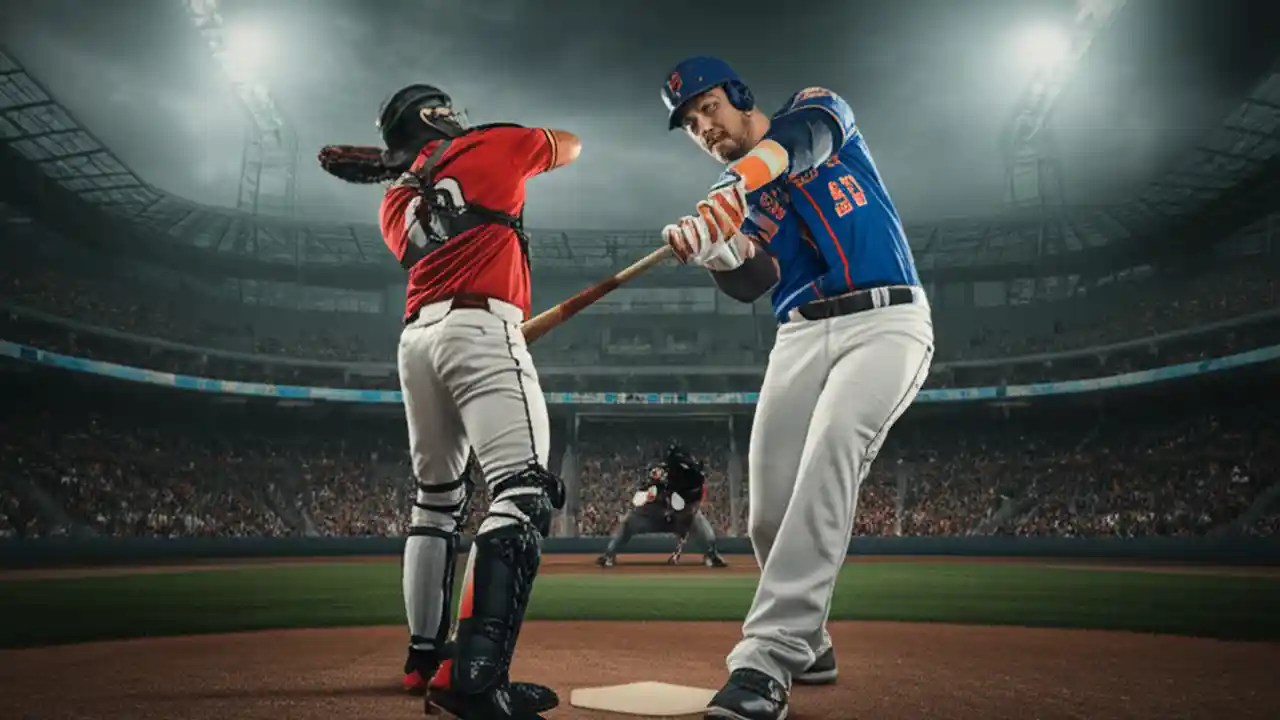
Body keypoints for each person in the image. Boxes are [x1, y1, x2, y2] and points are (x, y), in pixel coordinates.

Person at [658, 57, 934, 720]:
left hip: (886, 321)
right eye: (690, 123)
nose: (703, 127)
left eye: (709, 107)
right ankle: (814, 644)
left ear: (740, 93)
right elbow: (754, 280)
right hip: (801, 334)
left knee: (834, 446)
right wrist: (716, 249)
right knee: (768, 514)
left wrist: (732, 189)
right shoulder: (737, 196)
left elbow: (800, 142)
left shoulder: (814, 108)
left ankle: (767, 660)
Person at [318, 83, 581, 719]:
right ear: (438, 116)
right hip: (481, 327)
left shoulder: (394, 198)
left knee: (436, 502)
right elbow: (571, 146)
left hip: (418, 341)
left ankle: (424, 660)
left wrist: (406, 165)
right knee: (523, 492)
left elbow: (435, 220)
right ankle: (477, 681)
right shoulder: (492, 142)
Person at [595, 443, 728, 568]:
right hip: (652, 516)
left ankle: (712, 555)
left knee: (701, 526)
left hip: (679, 518)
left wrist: (687, 516)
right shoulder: (658, 476)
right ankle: (609, 554)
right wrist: (652, 492)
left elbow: (694, 505)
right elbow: (640, 497)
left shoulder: (694, 480)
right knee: (628, 523)